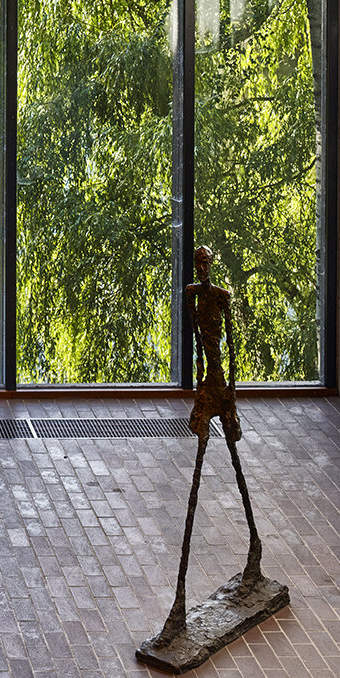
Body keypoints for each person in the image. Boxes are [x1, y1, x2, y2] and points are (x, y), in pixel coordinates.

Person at [150, 244, 266, 647]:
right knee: (200, 473)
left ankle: (254, 550)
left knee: (233, 463)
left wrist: (231, 390)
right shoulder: (195, 297)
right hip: (205, 389)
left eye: (205, 263)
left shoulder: (218, 298)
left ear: (211, 265)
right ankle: (179, 606)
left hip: (220, 389)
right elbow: (197, 346)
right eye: (197, 264)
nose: (201, 268)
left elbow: (230, 348)